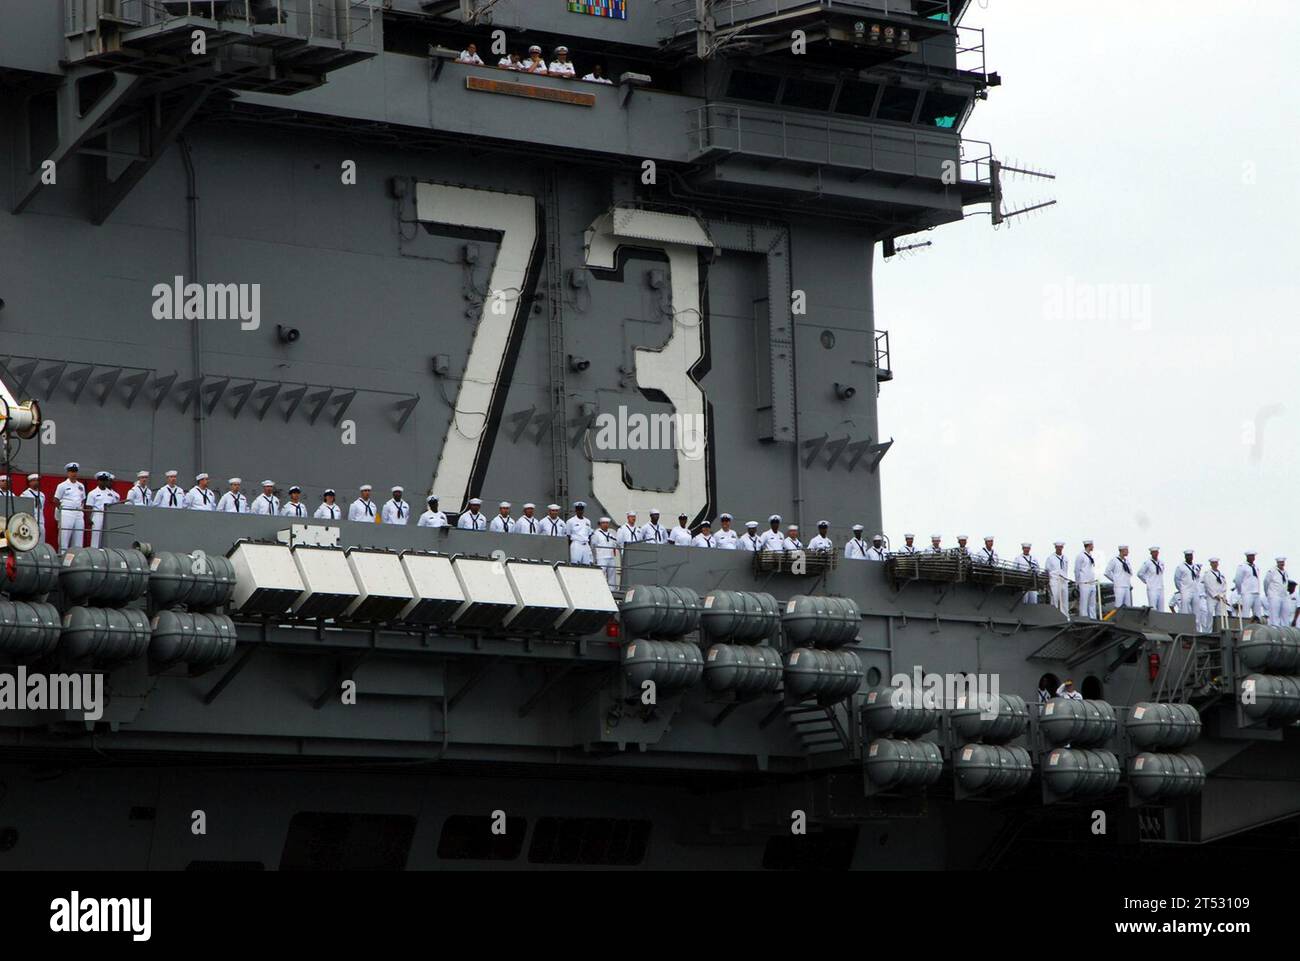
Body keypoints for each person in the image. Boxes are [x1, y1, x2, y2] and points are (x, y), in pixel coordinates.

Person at [54, 462, 87, 550]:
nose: (74, 474)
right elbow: (56, 500)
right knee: (64, 536)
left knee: (79, 536)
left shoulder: (81, 486)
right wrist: (62, 510)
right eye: (72, 471)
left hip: (78, 512)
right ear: (68, 473)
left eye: (75, 471)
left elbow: (83, 499)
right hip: (67, 511)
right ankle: (62, 555)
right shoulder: (62, 485)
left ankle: (77, 556)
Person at [85, 471, 120, 548]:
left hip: (108, 516)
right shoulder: (93, 493)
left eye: (105, 480)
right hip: (98, 515)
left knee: (107, 536)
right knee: (96, 536)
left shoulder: (111, 494)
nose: (103, 482)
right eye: (101, 480)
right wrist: (88, 518)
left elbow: (115, 506)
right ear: (98, 481)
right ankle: (94, 552)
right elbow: (89, 507)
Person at [1234, 551, 1265, 622]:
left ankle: (1257, 629)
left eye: (1253, 556)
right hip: (1247, 592)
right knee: (1246, 613)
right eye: (1251, 556)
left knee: (1258, 614)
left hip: (1256, 592)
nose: (1253, 558)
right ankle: (1244, 628)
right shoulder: (1242, 567)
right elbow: (1238, 580)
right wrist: (1240, 592)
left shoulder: (1256, 567)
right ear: (1247, 557)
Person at [1201, 557, 1230, 629]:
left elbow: (1224, 585)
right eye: (1213, 563)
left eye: (1216, 563)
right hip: (1212, 597)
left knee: (1220, 614)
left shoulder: (1221, 574)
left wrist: (1223, 596)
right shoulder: (1207, 574)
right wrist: (1215, 595)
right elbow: (1208, 586)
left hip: (1220, 597)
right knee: (1210, 613)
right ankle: (1208, 630)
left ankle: (1219, 628)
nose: (1215, 564)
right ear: (1210, 564)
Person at [590, 516, 618, 588]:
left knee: (612, 576)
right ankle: (600, 589)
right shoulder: (596, 534)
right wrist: (594, 558)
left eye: (607, 523)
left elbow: (615, 545)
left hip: (611, 557)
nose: (605, 525)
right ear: (600, 524)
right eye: (603, 523)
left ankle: (612, 591)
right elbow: (593, 546)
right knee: (601, 575)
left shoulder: (611, 534)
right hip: (601, 557)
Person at [1044, 541, 1070, 616]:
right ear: (1055, 548)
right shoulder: (1050, 558)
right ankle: (1054, 615)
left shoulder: (1065, 558)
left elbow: (1066, 569)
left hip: (1063, 580)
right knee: (1054, 599)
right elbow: (1047, 570)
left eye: (1061, 547)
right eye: (1058, 547)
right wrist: (1048, 582)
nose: (1059, 549)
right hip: (1054, 580)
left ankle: (1065, 616)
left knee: (1064, 600)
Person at [1074, 539, 1098, 618]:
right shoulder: (1081, 556)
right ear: (1089, 545)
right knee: (1084, 603)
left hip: (1092, 582)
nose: (1093, 547)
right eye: (1092, 545)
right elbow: (1077, 570)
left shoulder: (1089, 555)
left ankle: (1093, 618)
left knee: (1092, 604)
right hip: (1084, 583)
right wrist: (1077, 582)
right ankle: (1084, 618)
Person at [1105, 545, 1134, 609]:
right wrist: (1115, 579)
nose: (1128, 552)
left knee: (1128, 606)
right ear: (1122, 550)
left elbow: (1130, 573)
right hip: (1119, 586)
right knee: (1118, 605)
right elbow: (1107, 572)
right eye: (1126, 550)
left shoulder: (1126, 561)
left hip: (1126, 585)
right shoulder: (1114, 560)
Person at [1137, 546, 1164, 611]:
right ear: (1151, 553)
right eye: (1154, 552)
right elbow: (1140, 573)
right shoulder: (1148, 563)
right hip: (1152, 588)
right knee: (1153, 608)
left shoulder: (1161, 563)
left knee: (1161, 609)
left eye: (1156, 552)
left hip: (1160, 587)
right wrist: (1147, 581)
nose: (1155, 554)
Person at [1264, 557, 1289, 625]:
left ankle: (1285, 630)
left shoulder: (1285, 572)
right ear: (1277, 563)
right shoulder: (1272, 571)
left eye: (1283, 562)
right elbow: (1266, 582)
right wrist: (1268, 594)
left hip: (1283, 595)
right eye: (1280, 562)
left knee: (1285, 615)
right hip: (1274, 595)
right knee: (1274, 615)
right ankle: (1274, 629)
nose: (1281, 564)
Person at [1174, 550, 1198, 619]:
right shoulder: (1180, 567)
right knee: (1185, 609)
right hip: (1186, 590)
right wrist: (1181, 589)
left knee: (1196, 611)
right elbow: (1176, 579)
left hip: (1195, 590)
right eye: (1188, 556)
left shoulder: (1195, 567)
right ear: (1185, 557)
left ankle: (1196, 628)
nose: (1190, 557)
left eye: (1191, 555)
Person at [23, 474, 46, 544]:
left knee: (41, 539)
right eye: (34, 480)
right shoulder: (25, 494)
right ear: (30, 482)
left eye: (37, 480)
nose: (36, 482)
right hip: (30, 520)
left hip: (41, 520)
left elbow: (42, 508)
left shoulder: (42, 494)